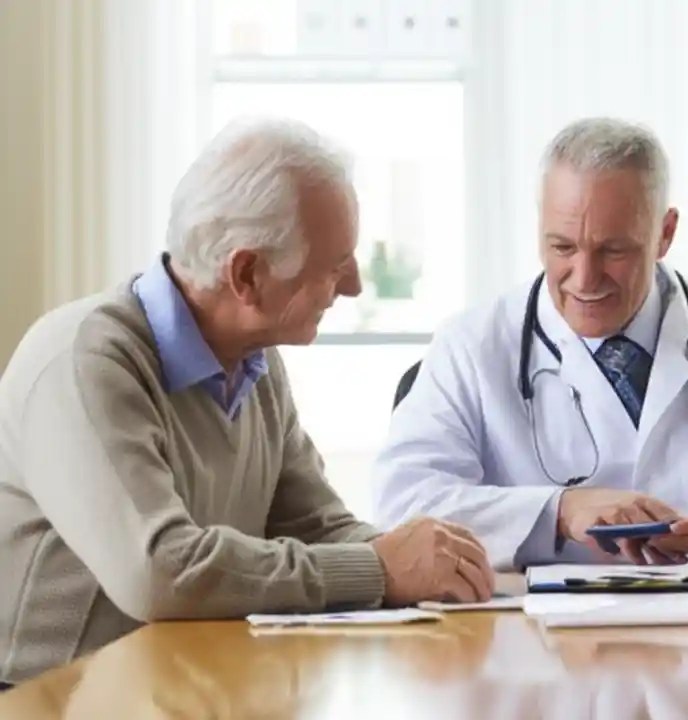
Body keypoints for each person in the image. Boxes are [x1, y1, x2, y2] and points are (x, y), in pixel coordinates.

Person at [0, 118, 494, 687]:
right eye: (335, 266)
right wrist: (381, 567)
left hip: (176, 687)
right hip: (48, 696)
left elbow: (315, 524)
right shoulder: (86, 360)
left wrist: (423, 558)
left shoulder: (255, 360)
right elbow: (158, 572)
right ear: (247, 273)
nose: (355, 286)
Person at [373, 117, 688, 574]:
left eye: (613, 250)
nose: (585, 277)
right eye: (562, 247)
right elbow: (404, 506)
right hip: (535, 651)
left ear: (665, 233)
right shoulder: (471, 344)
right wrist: (561, 511)